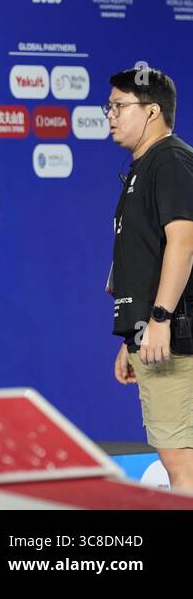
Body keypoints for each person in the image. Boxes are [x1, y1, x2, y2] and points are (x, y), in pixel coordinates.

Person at [107, 66, 193, 491]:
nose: (110, 115)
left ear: (153, 111)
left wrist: (159, 320)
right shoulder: (144, 166)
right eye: (110, 106)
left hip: (173, 337)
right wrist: (131, 339)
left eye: (120, 106)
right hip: (153, 337)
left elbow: (184, 242)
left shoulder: (171, 160)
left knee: (182, 466)